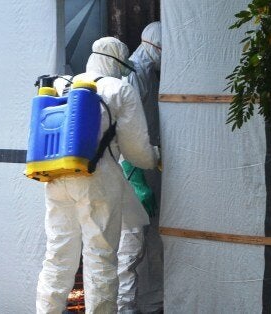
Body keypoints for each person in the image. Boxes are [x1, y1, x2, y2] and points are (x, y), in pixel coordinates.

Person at [36, 37, 157, 314]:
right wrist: (155, 157)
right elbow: (137, 153)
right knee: (100, 258)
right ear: (118, 63)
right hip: (98, 181)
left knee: (57, 254)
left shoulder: (63, 84)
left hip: (57, 176)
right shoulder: (119, 88)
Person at [118, 21, 163, 313]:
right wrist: (137, 175)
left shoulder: (151, 72)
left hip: (147, 164)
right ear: (155, 46)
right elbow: (128, 132)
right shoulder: (134, 74)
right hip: (133, 168)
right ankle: (126, 305)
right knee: (132, 242)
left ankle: (149, 301)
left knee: (149, 236)